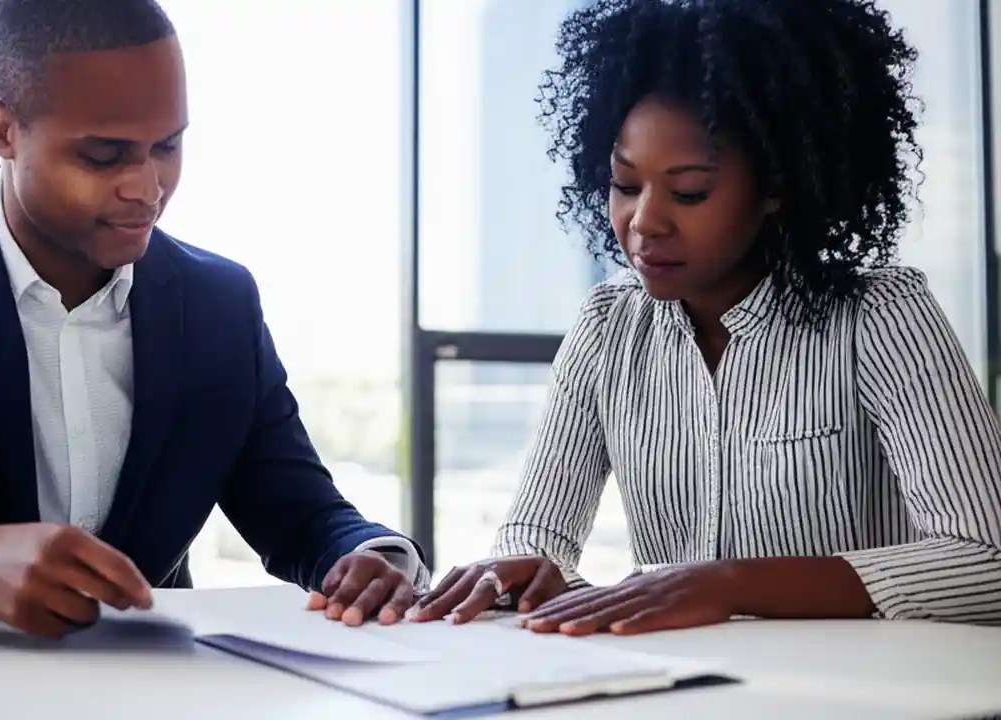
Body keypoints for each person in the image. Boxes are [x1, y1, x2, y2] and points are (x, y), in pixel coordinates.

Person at [0, 0, 426, 645]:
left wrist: (368, 557)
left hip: (153, 696)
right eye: (104, 155)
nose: (146, 189)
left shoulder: (219, 302)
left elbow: (299, 512)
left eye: (168, 146)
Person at [409, 0, 1001, 634]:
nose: (642, 223)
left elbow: (984, 560)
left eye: (689, 192)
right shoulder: (607, 328)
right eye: (625, 185)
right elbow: (539, 533)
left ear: (777, 185)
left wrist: (727, 583)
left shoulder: (880, 318)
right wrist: (520, 570)